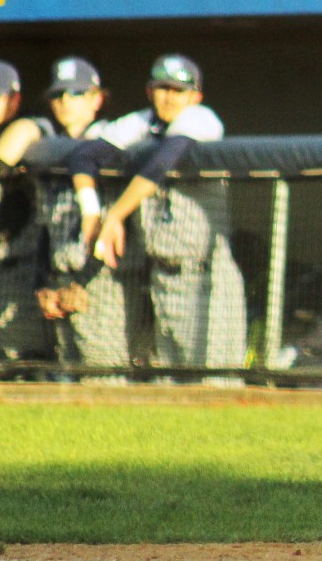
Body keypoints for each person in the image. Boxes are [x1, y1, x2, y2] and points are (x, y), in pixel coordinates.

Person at [74, 55, 246, 385]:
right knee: (173, 380)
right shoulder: (142, 121)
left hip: (207, 273)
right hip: (163, 277)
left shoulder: (201, 119)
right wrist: (90, 209)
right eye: (163, 88)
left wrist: (114, 216)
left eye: (178, 90)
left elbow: (161, 164)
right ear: (150, 90)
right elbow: (84, 155)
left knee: (215, 383)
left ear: (194, 96)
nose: (169, 97)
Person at [0, 58, 130, 378]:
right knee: (66, 382)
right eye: (58, 95)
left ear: (97, 98)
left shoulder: (113, 136)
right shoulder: (45, 137)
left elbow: (122, 228)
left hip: (101, 280)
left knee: (106, 379)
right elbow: (23, 129)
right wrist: (44, 285)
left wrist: (81, 283)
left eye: (76, 93)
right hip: (59, 278)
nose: (65, 102)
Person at [0, 59, 52, 366]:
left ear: (14, 100)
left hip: (16, 266)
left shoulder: (32, 126)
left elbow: (24, 132)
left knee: (16, 357)